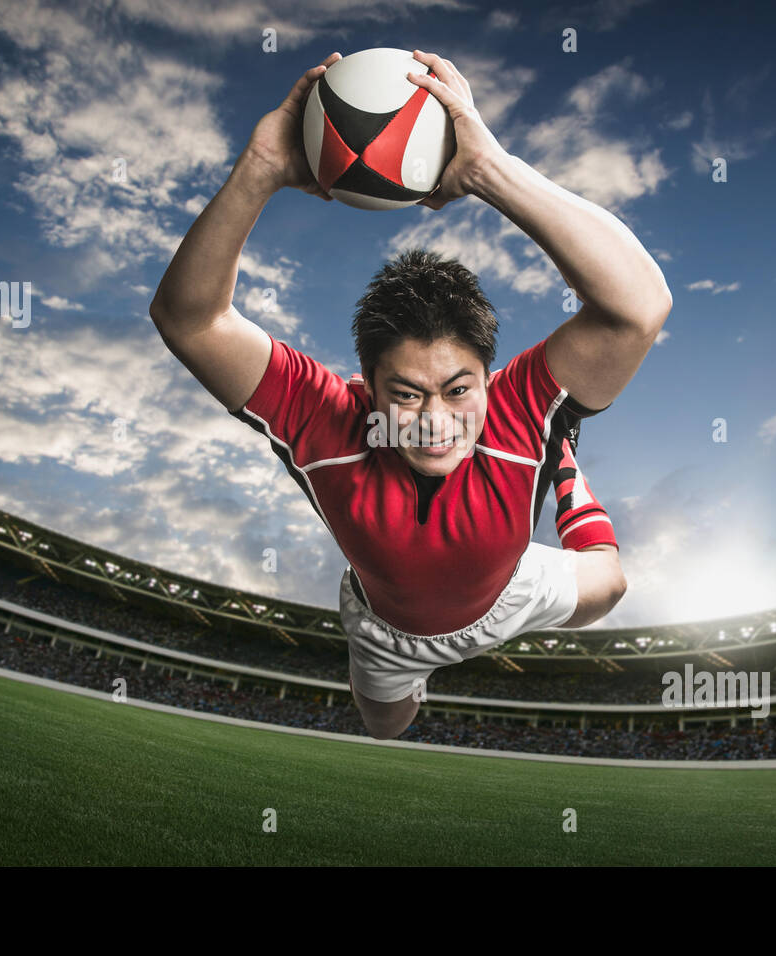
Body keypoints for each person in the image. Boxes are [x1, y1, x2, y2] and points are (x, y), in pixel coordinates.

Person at [150, 51, 672, 739]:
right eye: (406, 394)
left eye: (458, 390)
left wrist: (487, 169)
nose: (435, 422)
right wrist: (262, 169)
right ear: (366, 386)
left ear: (489, 377)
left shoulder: (516, 405)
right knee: (385, 726)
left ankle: (565, 461)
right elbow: (190, 319)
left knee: (609, 586)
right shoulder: (326, 417)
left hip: (509, 592)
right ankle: (414, 681)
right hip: (388, 629)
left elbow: (639, 307)